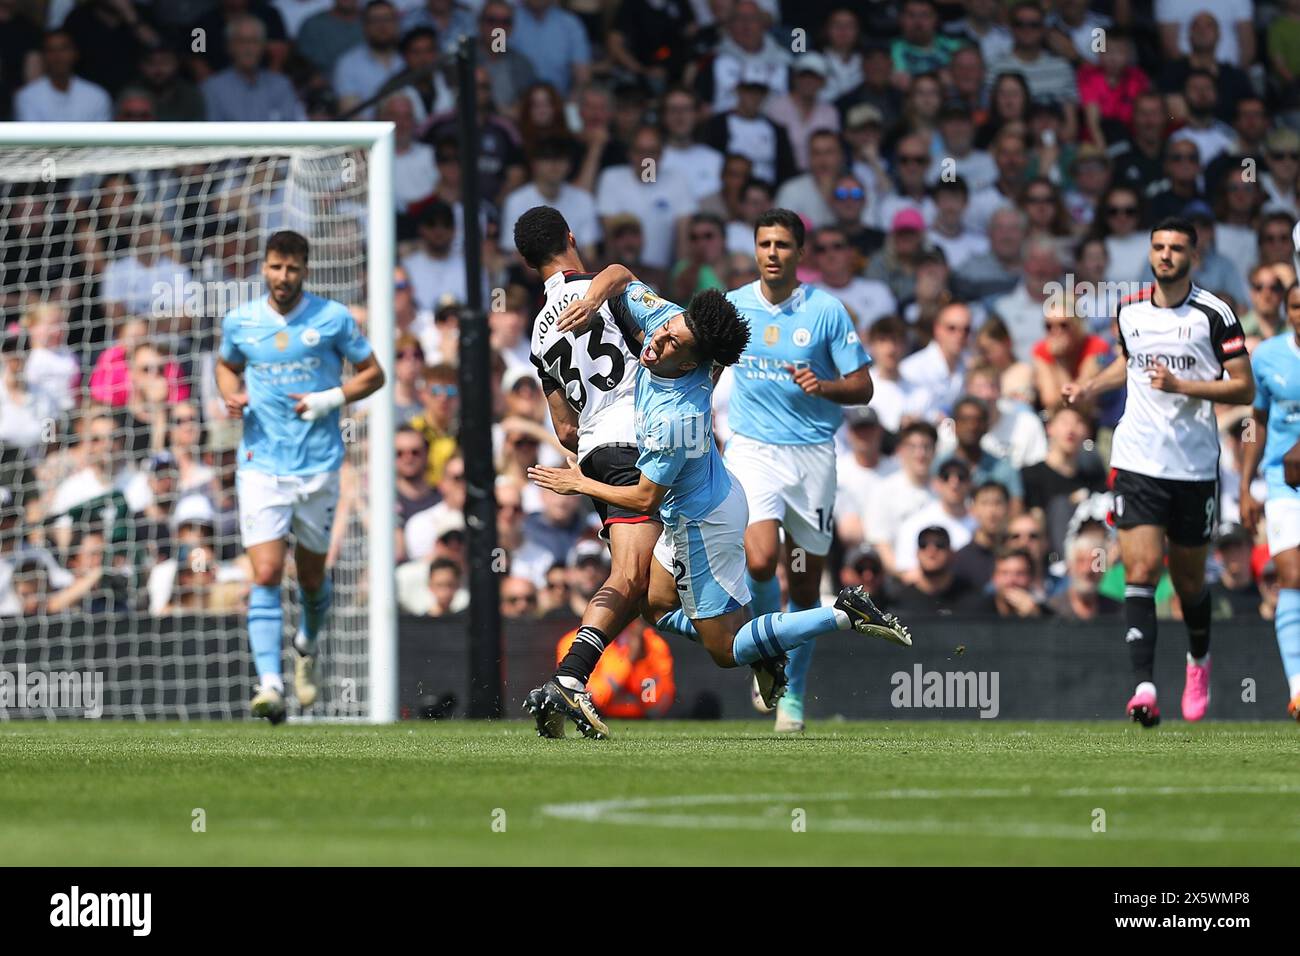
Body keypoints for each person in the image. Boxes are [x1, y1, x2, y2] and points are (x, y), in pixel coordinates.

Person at [528, 263, 910, 739]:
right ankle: (765, 646)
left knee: (726, 651)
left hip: (702, 525)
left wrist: (579, 484)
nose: (659, 339)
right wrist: (592, 300)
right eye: (667, 328)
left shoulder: (679, 418)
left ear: (691, 364)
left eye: (672, 344)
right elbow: (621, 275)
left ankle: (843, 614)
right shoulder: (667, 323)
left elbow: (645, 495)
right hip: (711, 497)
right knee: (652, 604)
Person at [1063, 216, 1254, 727]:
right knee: (1141, 570)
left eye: (1176, 248)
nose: (1165, 255)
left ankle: (1198, 661)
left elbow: (1244, 389)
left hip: (1192, 466)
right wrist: (1087, 388)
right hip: (1137, 461)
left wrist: (1184, 386)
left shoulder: (1215, 314)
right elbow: (1126, 362)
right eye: (1158, 247)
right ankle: (1144, 687)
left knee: (1189, 583)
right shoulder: (1130, 310)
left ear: (1193, 255)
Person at [215, 230, 387, 723]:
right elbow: (226, 367)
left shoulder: (332, 319)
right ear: (264, 267)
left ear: (304, 269)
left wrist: (329, 398)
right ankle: (269, 684)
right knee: (266, 572)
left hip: (318, 466)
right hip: (261, 465)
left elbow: (373, 374)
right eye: (274, 267)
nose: (282, 277)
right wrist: (232, 395)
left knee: (311, 579)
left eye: (291, 268)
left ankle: (305, 646)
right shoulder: (241, 321)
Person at [723, 208, 875, 734]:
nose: (772, 253)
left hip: (811, 454)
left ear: (799, 253)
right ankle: (768, 658)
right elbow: (707, 363)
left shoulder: (827, 311)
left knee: (806, 588)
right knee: (761, 559)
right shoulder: (733, 305)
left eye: (782, 245)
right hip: (751, 449)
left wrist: (825, 386)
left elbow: (864, 387)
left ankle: (793, 693)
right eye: (764, 243)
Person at [512, 205, 662, 739]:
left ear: (527, 262)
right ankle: (570, 679)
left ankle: (569, 678)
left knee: (648, 584)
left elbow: (565, 429)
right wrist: (600, 292)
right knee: (630, 575)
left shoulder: (535, 332)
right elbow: (621, 273)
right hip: (633, 439)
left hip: (596, 446)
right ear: (571, 237)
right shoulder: (601, 284)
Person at [1241, 281, 1300, 720]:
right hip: (1283, 482)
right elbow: (1254, 422)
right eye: (1296, 307)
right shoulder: (1266, 357)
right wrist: (1246, 485)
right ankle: (1298, 687)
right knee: (1292, 574)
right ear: (1286, 310)